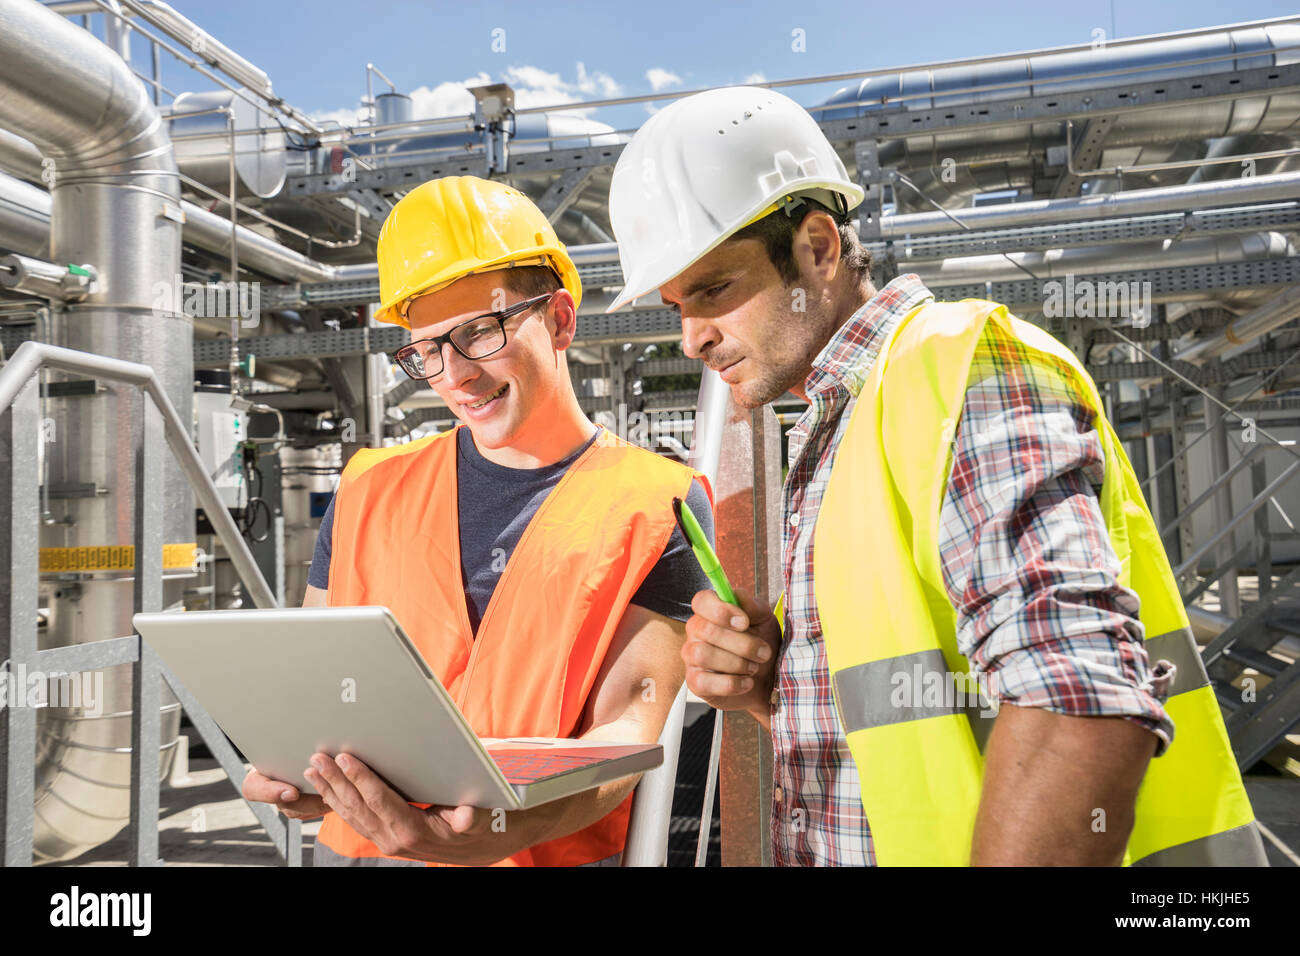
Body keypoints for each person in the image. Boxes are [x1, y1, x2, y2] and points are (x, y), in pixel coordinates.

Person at [605, 86, 1265, 866]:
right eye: (676, 304)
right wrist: (773, 687)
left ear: (817, 248)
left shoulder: (960, 370)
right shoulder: (843, 422)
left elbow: (1076, 700)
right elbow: (904, 743)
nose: (690, 338)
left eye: (713, 289)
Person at [243, 175, 714, 867]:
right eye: (427, 348)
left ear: (559, 318)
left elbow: (626, 733)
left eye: (477, 333)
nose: (453, 375)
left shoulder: (657, 503)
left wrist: (500, 832)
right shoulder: (367, 488)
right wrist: (317, 777)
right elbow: (323, 695)